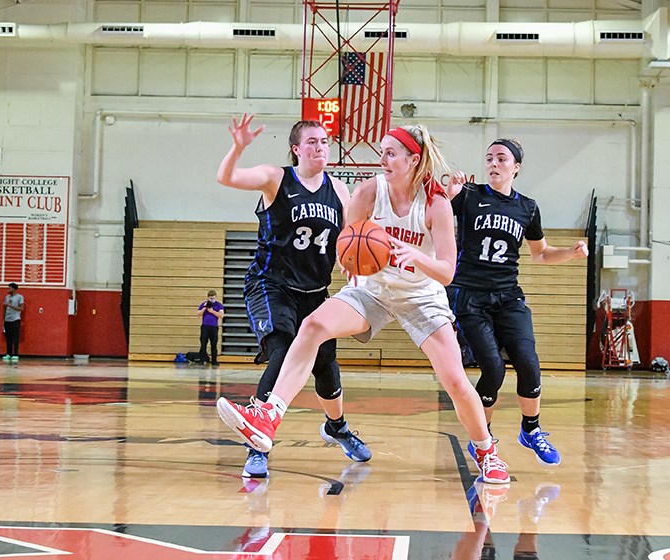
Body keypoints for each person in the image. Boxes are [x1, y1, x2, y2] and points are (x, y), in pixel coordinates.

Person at [217, 125, 512, 484]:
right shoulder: (369, 191)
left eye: (390, 153)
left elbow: (447, 272)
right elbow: (349, 240)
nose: (382, 159)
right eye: (382, 151)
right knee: (313, 327)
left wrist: (415, 255)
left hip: (420, 296)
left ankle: (486, 450)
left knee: (454, 379)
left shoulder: (435, 203)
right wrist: (350, 258)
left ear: (412, 159)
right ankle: (269, 414)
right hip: (372, 290)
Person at [214, 114, 367, 479]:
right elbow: (226, 177)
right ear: (296, 149)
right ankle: (257, 444)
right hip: (271, 285)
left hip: (315, 292)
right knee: (283, 350)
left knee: (325, 367)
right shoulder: (275, 178)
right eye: (312, 141)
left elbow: (349, 240)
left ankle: (337, 427)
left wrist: (352, 264)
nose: (321, 147)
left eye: (325, 141)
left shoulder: (339, 190)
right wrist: (238, 147)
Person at [444, 139, 587, 466]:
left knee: (528, 362)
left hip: (508, 296)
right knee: (493, 368)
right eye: (489, 158)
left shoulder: (527, 207)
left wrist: (571, 252)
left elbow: (540, 254)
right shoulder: (469, 195)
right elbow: (430, 220)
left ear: (516, 167)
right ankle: (483, 439)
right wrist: (449, 195)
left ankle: (531, 429)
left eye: (501, 158)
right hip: (470, 296)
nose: (493, 163)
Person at [197, 290, 224, 366]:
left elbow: (221, 315)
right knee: (203, 343)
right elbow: (198, 314)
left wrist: (212, 311)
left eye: (213, 298)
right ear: (208, 298)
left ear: (216, 297)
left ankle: (214, 361)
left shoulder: (218, 305)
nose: (212, 300)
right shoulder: (203, 304)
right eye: (211, 298)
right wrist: (204, 308)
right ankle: (202, 360)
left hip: (214, 327)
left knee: (214, 344)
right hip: (205, 326)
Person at [2, 282, 23, 362]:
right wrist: (3, 320)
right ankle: (9, 353)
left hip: (15, 320)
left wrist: (12, 306)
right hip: (8, 320)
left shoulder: (19, 297)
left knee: (15, 338)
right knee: (8, 338)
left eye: (10, 288)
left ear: (14, 289)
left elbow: (22, 308)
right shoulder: (7, 297)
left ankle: (16, 354)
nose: (8, 290)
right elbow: (4, 309)